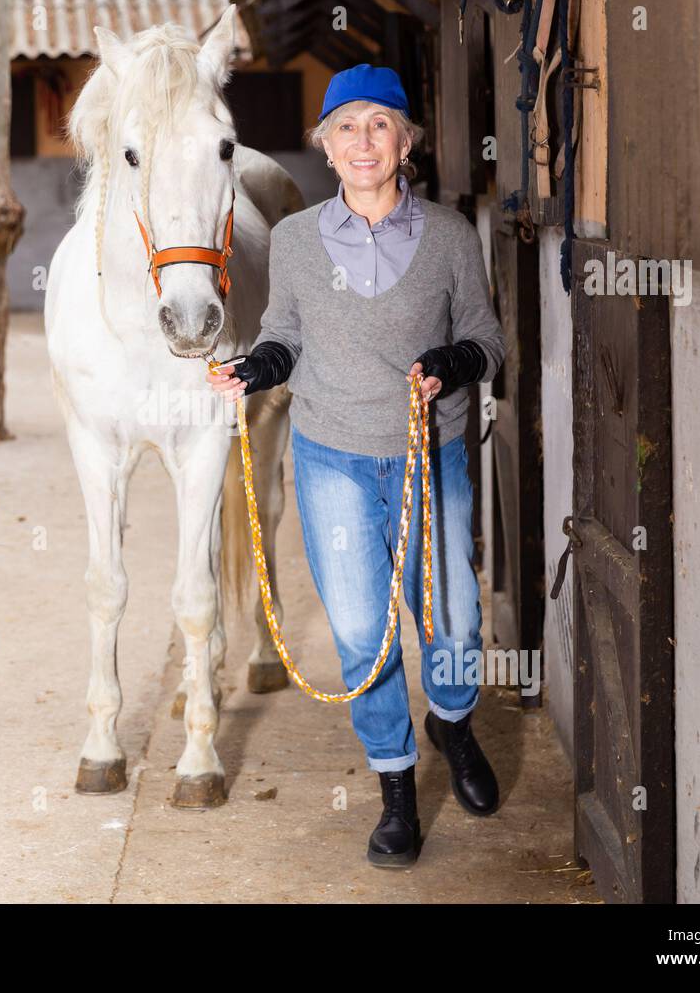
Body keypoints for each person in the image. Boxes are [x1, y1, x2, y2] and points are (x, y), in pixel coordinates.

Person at [207, 64, 506, 869]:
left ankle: (453, 721)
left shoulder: (448, 236)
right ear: (326, 147)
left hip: (428, 454)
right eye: (346, 127)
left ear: (405, 141)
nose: (363, 141)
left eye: (380, 125)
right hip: (332, 457)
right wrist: (257, 369)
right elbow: (284, 336)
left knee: (453, 621)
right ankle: (398, 788)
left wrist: (453, 357)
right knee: (361, 632)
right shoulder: (299, 241)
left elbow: (491, 339)